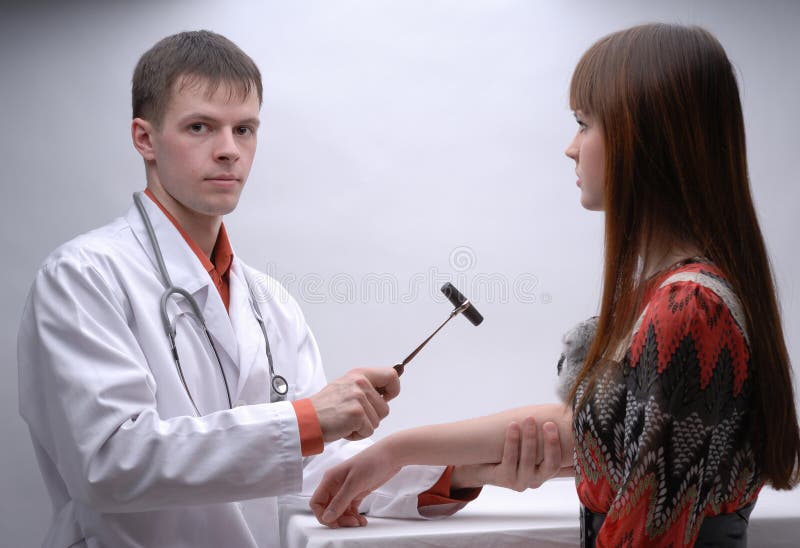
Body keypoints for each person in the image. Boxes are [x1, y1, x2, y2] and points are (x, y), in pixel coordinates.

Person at [16, 30, 553, 548]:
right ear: (145, 138)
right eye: (200, 127)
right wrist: (308, 418)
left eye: (244, 129)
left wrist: (455, 473)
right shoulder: (83, 278)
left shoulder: (268, 303)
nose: (229, 151)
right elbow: (110, 463)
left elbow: (307, 471)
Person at [309, 23, 800, 547]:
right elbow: (582, 426)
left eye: (585, 124)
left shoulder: (689, 307)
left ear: (647, 137)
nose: (571, 148)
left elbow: (649, 527)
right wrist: (395, 451)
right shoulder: (665, 294)